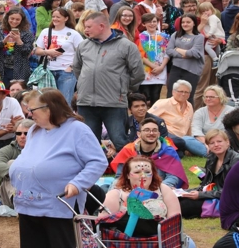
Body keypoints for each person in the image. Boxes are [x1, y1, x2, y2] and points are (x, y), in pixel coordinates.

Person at [10, 89, 105, 248]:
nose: (29, 113)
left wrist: (78, 183)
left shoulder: (77, 129)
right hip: (28, 204)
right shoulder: (35, 130)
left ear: (49, 108)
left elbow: (98, 161)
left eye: (33, 109)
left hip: (60, 205)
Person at [74, 13, 145, 152]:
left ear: (101, 26)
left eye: (88, 26)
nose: (85, 30)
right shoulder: (83, 45)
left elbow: (138, 73)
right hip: (86, 103)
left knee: (120, 141)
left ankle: (128, 171)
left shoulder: (126, 46)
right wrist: (84, 86)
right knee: (88, 142)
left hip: (113, 103)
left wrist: (122, 88)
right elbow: (77, 69)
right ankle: (93, 172)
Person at [100, 155, 182, 235]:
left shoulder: (163, 189)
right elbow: (104, 225)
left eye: (147, 172)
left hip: (160, 237)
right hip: (125, 241)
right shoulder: (115, 194)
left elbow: (175, 220)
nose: (143, 176)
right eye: (137, 172)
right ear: (127, 175)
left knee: (189, 246)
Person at [179, 129, 239, 218]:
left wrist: (200, 195)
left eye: (219, 141)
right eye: (212, 143)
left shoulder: (237, 161)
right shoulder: (212, 158)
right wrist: (183, 192)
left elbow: (231, 191)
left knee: (185, 205)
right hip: (214, 194)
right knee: (178, 198)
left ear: (227, 142)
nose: (216, 145)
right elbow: (206, 184)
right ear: (208, 146)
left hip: (229, 199)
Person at [111, 117, 186, 188]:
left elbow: (173, 177)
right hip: (131, 190)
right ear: (139, 134)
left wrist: (156, 189)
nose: (151, 133)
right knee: (110, 187)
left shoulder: (168, 151)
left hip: (159, 190)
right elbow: (120, 177)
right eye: (147, 130)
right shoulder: (128, 150)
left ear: (159, 134)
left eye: (154, 130)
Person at [33, 8, 83, 104]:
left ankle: (65, 119)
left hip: (66, 72)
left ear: (66, 18)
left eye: (58, 17)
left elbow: (82, 52)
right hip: (48, 71)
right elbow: (37, 50)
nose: (55, 19)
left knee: (64, 102)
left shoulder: (73, 33)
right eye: (53, 17)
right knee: (47, 102)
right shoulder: (45, 31)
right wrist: (48, 52)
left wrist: (71, 66)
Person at [0, 118, 33, 209]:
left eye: (26, 133)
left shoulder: (43, 149)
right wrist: (20, 172)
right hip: (11, 191)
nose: (22, 136)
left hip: (35, 187)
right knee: (12, 163)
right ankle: (18, 201)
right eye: (19, 133)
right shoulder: (8, 149)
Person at [166, 13, 204, 106]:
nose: (185, 24)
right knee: (171, 94)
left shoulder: (199, 37)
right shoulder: (175, 35)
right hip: (176, 68)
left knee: (187, 96)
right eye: (183, 22)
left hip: (192, 70)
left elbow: (194, 53)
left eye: (188, 22)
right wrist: (184, 55)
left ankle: (188, 117)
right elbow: (169, 50)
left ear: (194, 23)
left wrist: (178, 49)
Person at [188, 85, 234, 157]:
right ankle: (217, 153)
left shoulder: (231, 111)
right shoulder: (200, 112)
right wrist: (207, 144)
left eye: (212, 97)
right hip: (205, 142)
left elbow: (232, 132)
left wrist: (218, 142)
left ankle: (215, 153)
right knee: (186, 139)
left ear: (220, 97)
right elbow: (196, 130)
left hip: (224, 142)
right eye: (206, 97)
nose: (208, 99)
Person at [0, 6, 35, 83]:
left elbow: (28, 52)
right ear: (7, 18)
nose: (14, 21)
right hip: (1, 67)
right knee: (3, 91)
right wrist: (3, 42)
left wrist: (19, 41)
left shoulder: (27, 33)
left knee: (17, 92)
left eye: (17, 19)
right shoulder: (0, 30)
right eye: (12, 18)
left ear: (22, 20)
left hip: (19, 69)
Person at [148, 80, 193, 151]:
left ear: (189, 94)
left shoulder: (189, 106)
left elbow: (189, 126)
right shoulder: (164, 103)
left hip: (183, 138)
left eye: (186, 92)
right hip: (167, 135)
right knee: (180, 142)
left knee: (185, 144)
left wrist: (191, 137)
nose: (183, 94)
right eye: (180, 91)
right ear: (173, 92)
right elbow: (147, 117)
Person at [138, 12, 170, 104]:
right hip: (145, 72)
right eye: (149, 22)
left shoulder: (165, 37)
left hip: (160, 71)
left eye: (154, 21)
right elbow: (139, 54)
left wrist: (161, 67)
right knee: (145, 99)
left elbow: (167, 53)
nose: (152, 24)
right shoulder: (140, 37)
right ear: (144, 24)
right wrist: (152, 66)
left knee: (155, 98)